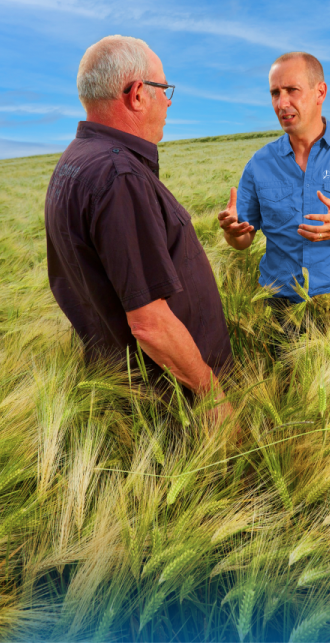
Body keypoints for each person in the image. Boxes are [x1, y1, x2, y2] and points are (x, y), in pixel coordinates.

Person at [45, 35, 232, 417]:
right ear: (136, 94)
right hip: (176, 404)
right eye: (163, 88)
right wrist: (213, 397)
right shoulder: (119, 177)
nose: (168, 101)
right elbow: (149, 323)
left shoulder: (75, 161)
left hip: (132, 388)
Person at [218, 52, 330, 305]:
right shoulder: (259, 163)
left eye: (292, 90)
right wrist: (232, 232)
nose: (282, 103)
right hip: (277, 305)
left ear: (320, 93)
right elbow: (243, 240)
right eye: (275, 93)